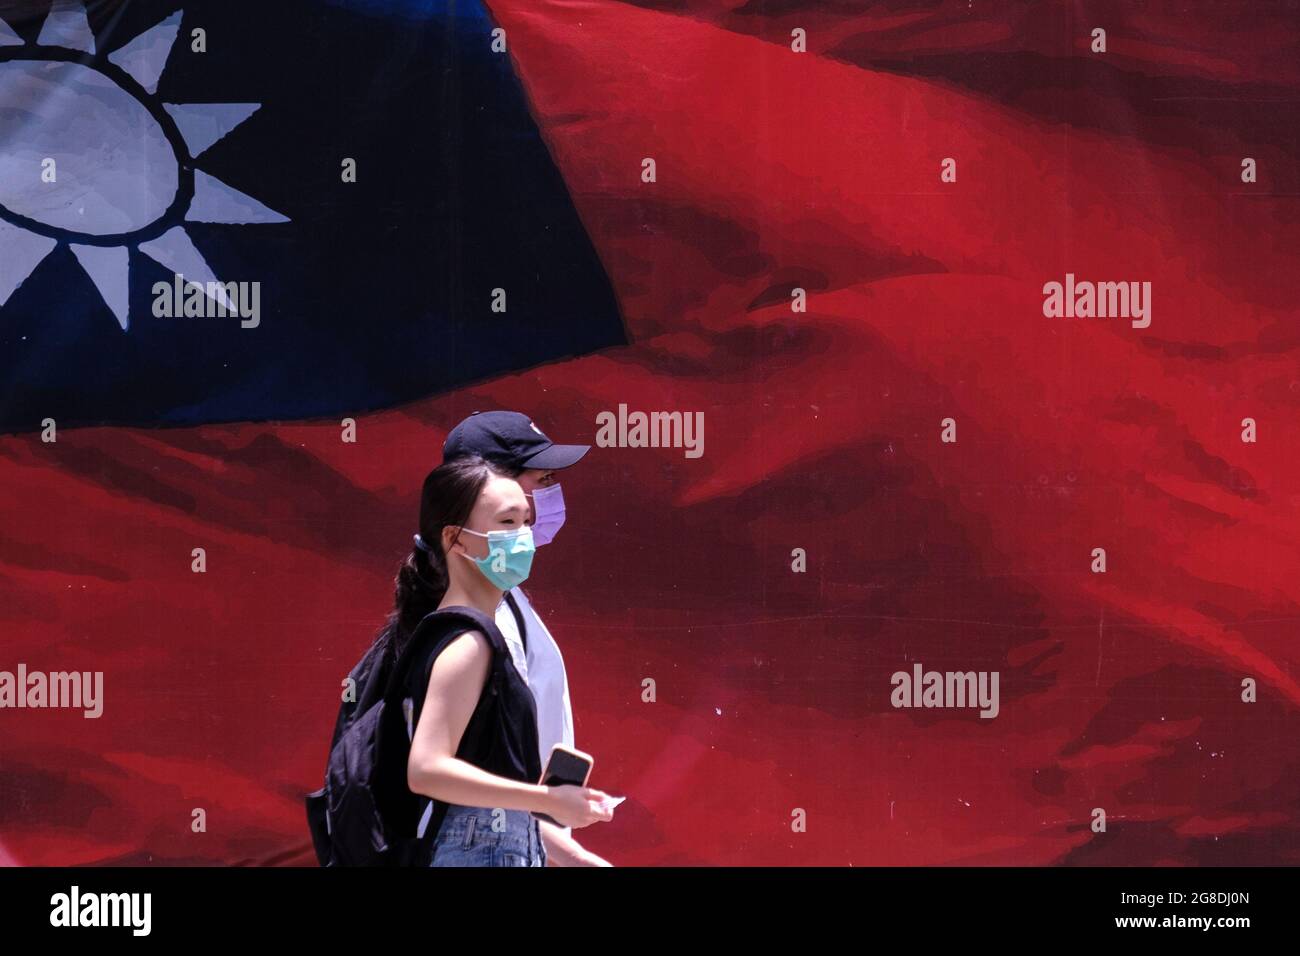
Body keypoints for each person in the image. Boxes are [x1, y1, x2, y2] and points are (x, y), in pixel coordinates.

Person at [393, 454, 615, 866]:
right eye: (508, 523)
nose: (524, 537)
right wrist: (548, 798)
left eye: (526, 522)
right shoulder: (469, 644)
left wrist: (570, 849)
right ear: (457, 539)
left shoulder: (456, 631)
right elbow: (426, 769)